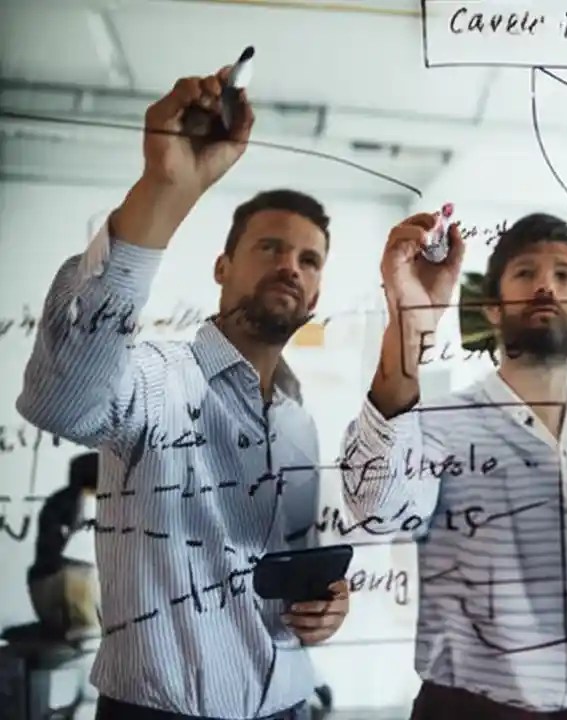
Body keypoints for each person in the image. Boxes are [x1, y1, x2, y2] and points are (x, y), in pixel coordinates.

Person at [16, 64, 348, 720]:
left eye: (310, 261)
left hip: (289, 705)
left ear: (317, 292)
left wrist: (326, 604)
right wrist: (165, 187)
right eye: (271, 248)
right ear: (222, 267)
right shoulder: (154, 377)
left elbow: (287, 568)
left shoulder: (300, 422)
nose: (291, 266)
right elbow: (60, 401)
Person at [339, 211, 567, 719]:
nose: (545, 286)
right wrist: (408, 324)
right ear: (491, 308)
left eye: (564, 275)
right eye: (525, 273)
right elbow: (375, 509)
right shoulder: (439, 425)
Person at [27, 451, 102, 643]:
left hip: (80, 594)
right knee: (78, 574)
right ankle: (86, 632)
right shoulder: (68, 504)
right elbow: (65, 554)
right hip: (56, 588)